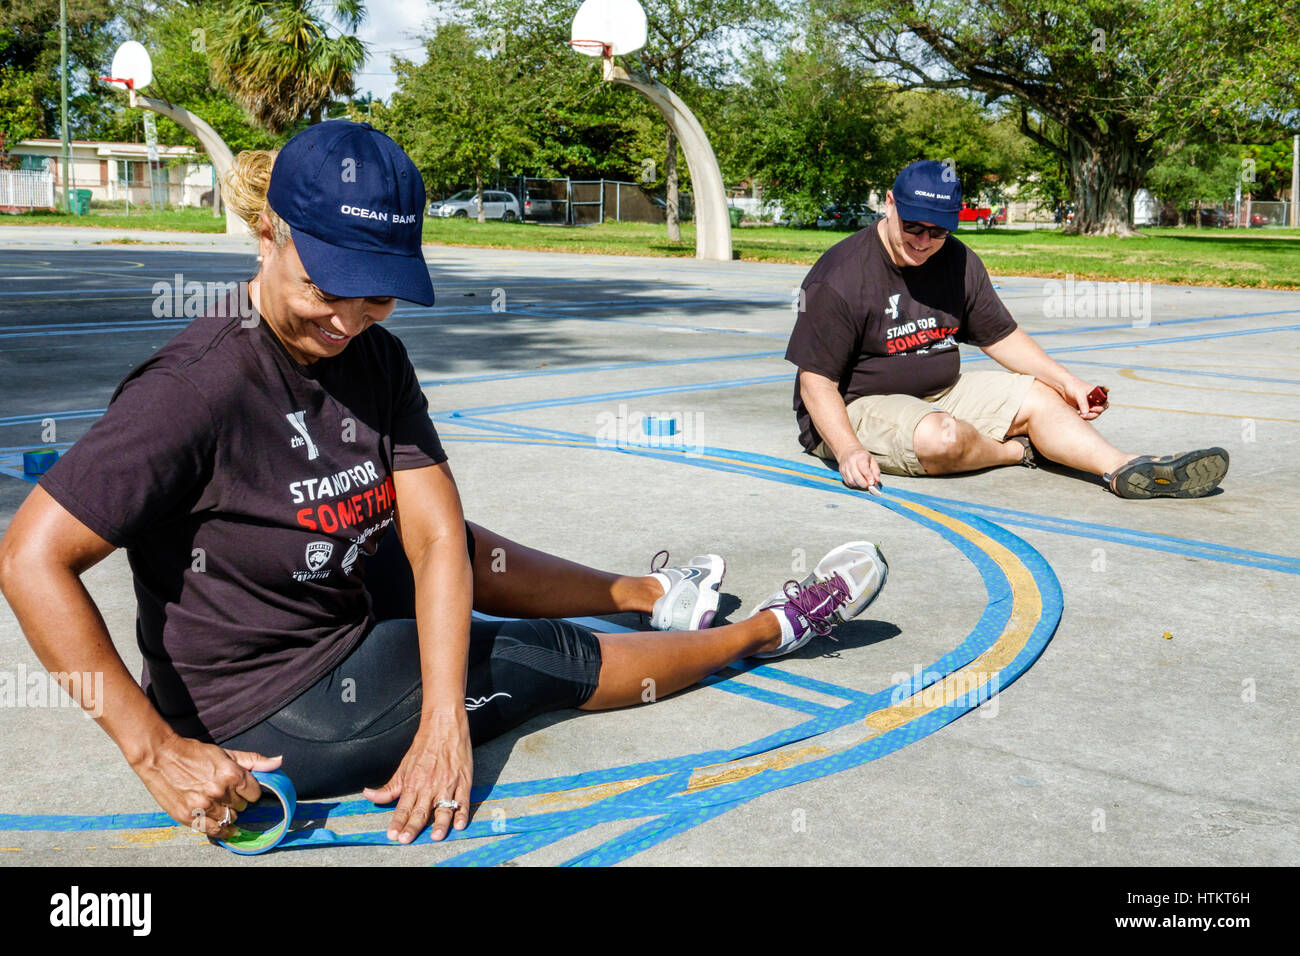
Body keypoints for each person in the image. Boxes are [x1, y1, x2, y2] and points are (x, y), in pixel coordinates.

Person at [0, 121, 889, 848]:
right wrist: (154, 750)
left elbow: (434, 536)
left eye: (377, 295)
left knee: (445, 547)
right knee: (527, 654)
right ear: (267, 236)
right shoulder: (194, 389)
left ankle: (652, 596)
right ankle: (773, 628)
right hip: (274, 704)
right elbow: (28, 557)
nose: (347, 320)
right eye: (324, 287)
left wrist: (442, 713)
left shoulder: (374, 359)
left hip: (326, 590)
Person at [786, 160, 1228, 499]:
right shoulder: (840, 277)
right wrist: (846, 449)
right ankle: (1017, 450)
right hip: (856, 406)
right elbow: (816, 381)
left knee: (1041, 395)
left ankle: (1124, 469)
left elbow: (1001, 337)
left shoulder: (957, 261)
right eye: (912, 227)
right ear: (889, 203)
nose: (923, 241)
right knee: (943, 437)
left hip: (940, 393)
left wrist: (1067, 382)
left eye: (937, 231)